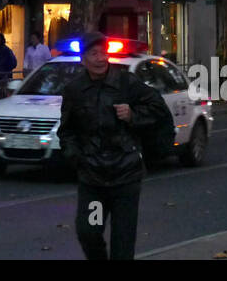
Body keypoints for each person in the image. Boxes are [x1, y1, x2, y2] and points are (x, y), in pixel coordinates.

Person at [58, 32, 170, 260]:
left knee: (122, 243)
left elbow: (158, 109)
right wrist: (76, 158)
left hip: (125, 179)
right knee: (89, 232)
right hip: (94, 182)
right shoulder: (75, 90)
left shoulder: (126, 83)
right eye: (94, 54)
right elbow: (66, 131)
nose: (100, 59)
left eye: (103, 53)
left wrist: (132, 115)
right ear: (83, 60)